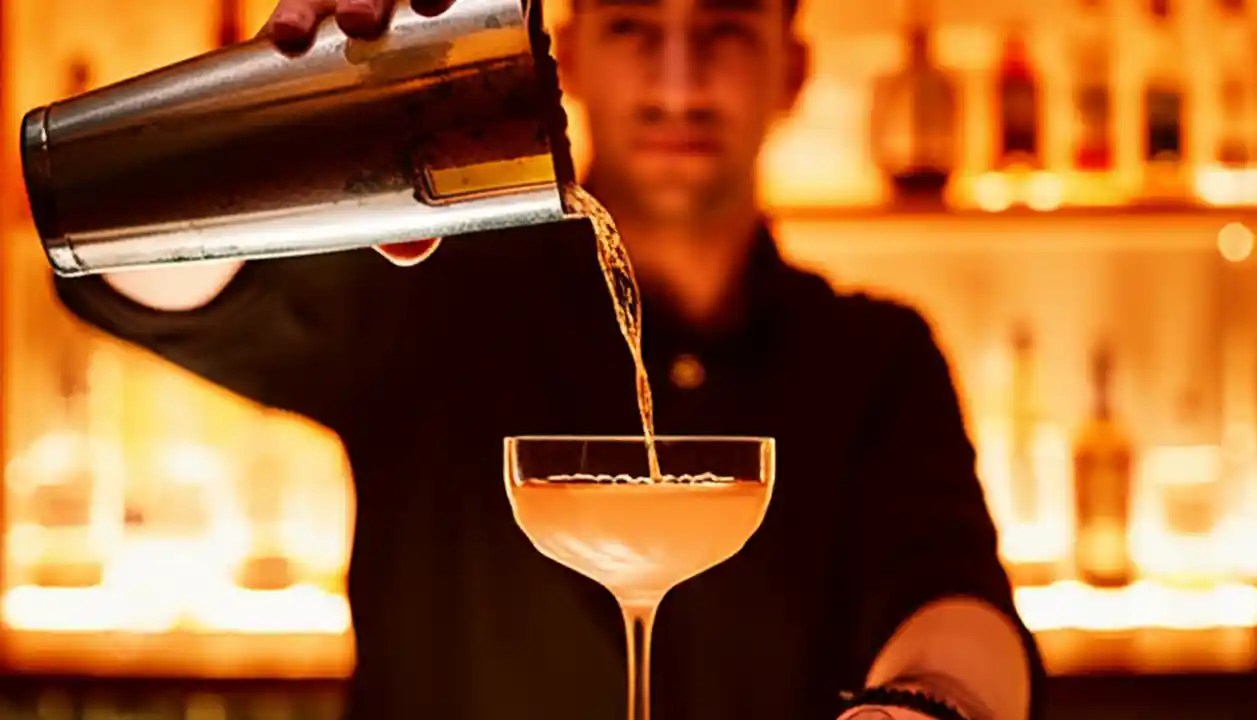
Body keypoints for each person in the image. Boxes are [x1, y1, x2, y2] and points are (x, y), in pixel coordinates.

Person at [53, 0, 1045, 718]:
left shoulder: (872, 357)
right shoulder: (430, 293)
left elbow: (951, 594)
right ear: (564, 58)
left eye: (724, 29)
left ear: (792, 68)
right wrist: (288, 112)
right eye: (633, 28)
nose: (675, 79)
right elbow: (166, 280)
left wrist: (925, 710)